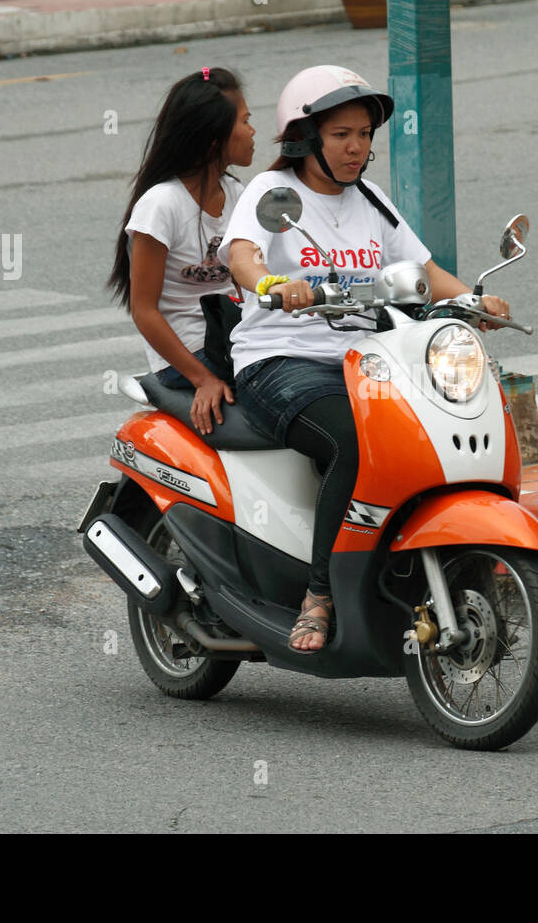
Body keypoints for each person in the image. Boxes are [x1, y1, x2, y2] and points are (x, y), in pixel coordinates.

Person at [218, 65, 510, 653]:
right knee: (357, 442)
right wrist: (275, 282)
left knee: (439, 426)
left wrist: (473, 300)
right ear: (305, 138)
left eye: (365, 135)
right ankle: (319, 595)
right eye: (341, 135)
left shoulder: (371, 199)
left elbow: (424, 271)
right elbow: (242, 256)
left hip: (368, 359)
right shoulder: (275, 196)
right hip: (280, 361)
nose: (357, 148)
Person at [109, 66, 256, 436]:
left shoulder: (239, 195)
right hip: (188, 354)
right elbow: (143, 310)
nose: (254, 131)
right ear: (213, 141)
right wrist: (202, 378)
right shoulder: (161, 205)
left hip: (233, 336)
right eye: (245, 121)